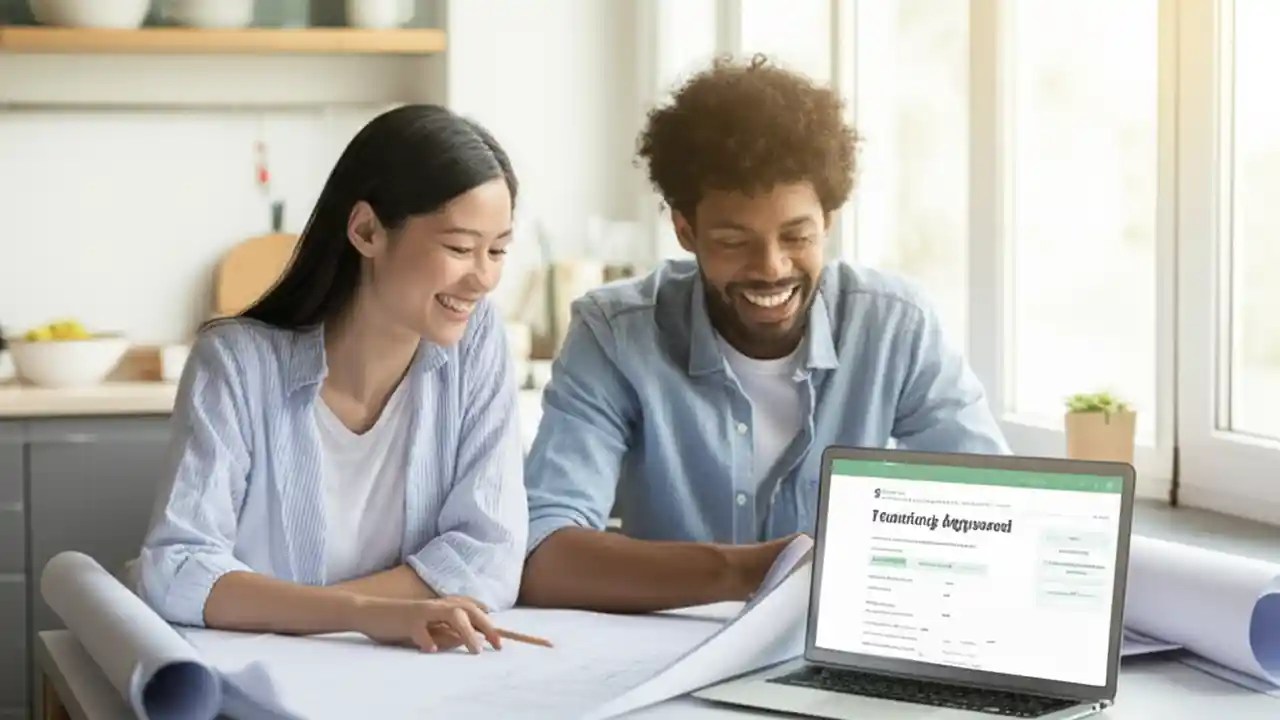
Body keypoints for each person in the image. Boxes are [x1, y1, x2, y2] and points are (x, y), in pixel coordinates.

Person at [520, 55, 1008, 613]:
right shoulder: (614, 335)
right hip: (668, 661)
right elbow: (542, 554)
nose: (772, 268)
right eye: (733, 241)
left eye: (796, 236)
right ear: (686, 229)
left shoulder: (895, 325)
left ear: (827, 220)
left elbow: (998, 511)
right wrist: (758, 569)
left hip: (842, 650)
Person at [134, 104, 526, 655]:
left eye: (499, 250)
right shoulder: (236, 364)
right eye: (460, 248)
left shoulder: (476, 342)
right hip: (261, 680)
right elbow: (177, 569)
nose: (483, 277)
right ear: (367, 230)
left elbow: (491, 555)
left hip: (416, 678)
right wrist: (364, 616)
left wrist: (304, 614)